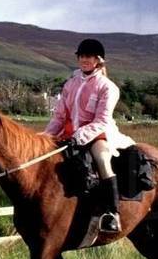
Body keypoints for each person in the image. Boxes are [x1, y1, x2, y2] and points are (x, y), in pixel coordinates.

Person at [42, 38, 135, 234]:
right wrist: (45, 135)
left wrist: (79, 135)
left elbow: (102, 120)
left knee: (102, 159)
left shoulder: (108, 87)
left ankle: (112, 213)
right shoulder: (70, 84)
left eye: (89, 57)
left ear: (98, 60)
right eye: (81, 56)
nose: (84, 60)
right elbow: (59, 115)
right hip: (68, 134)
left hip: (97, 135)